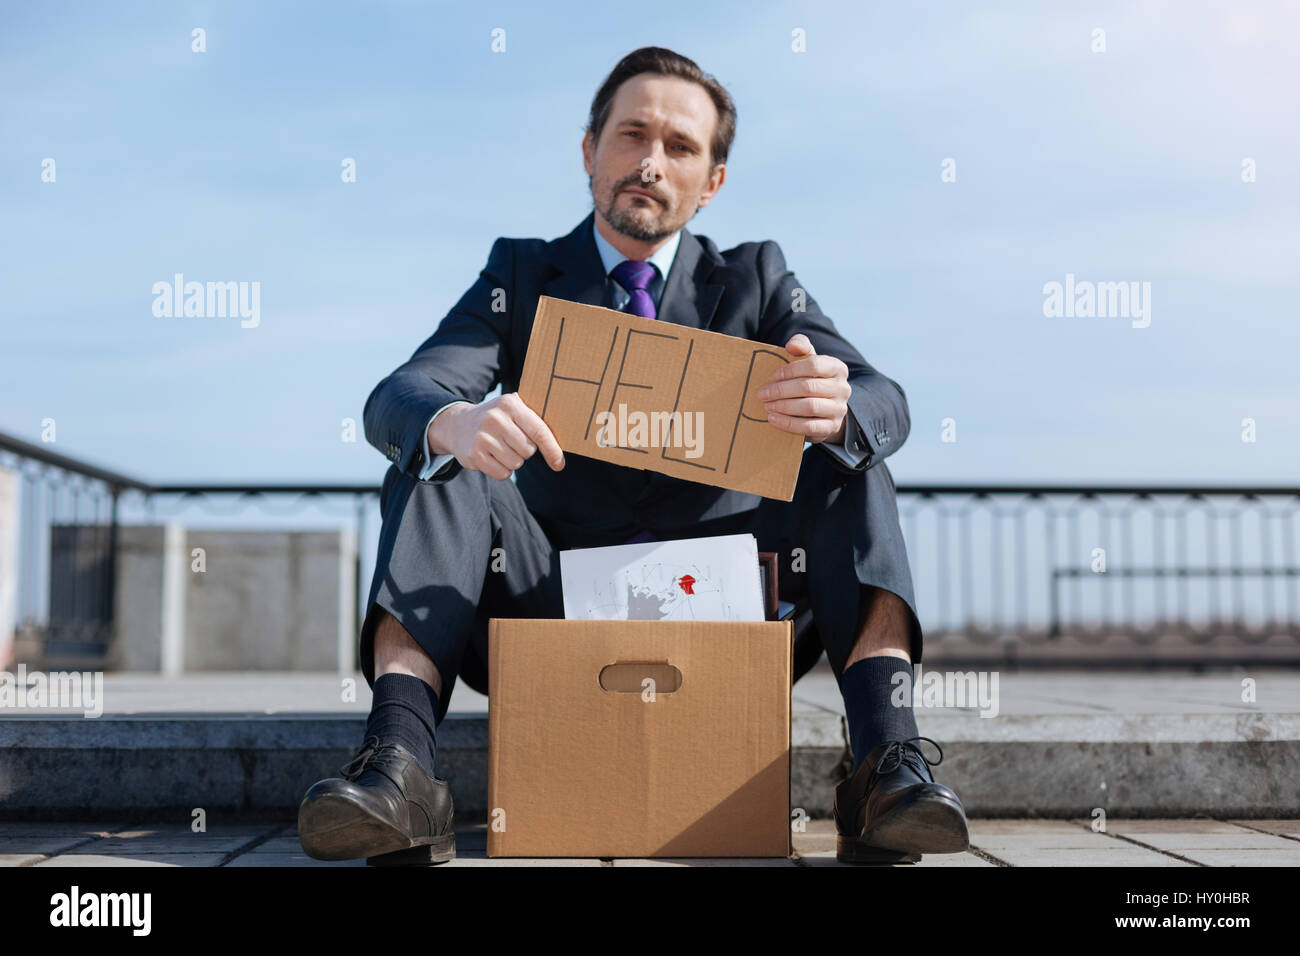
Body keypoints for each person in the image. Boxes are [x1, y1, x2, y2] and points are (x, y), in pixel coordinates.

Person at [297, 45, 969, 866]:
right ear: (589, 150)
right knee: (442, 448)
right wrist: (455, 423)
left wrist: (840, 405)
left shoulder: (755, 278)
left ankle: (884, 768)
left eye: (681, 147)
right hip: (545, 601)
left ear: (712, 181)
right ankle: (399, 769)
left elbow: (884, 397)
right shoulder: (519, 272)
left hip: (729, 601)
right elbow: (402, 392)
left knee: (850, 451)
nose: (650, 162)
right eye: (631, 135)